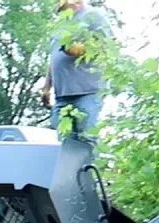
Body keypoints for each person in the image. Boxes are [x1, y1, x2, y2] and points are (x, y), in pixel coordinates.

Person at [40, 0, 113, 140]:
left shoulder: (93, 15)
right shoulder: (60, 25)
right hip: (62, 94)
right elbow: (54, 57)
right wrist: (46, 87)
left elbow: (108, 45)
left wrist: (82, 49)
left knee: (86, 138)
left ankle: (88, 162)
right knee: (62, 142)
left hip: (88, 91)